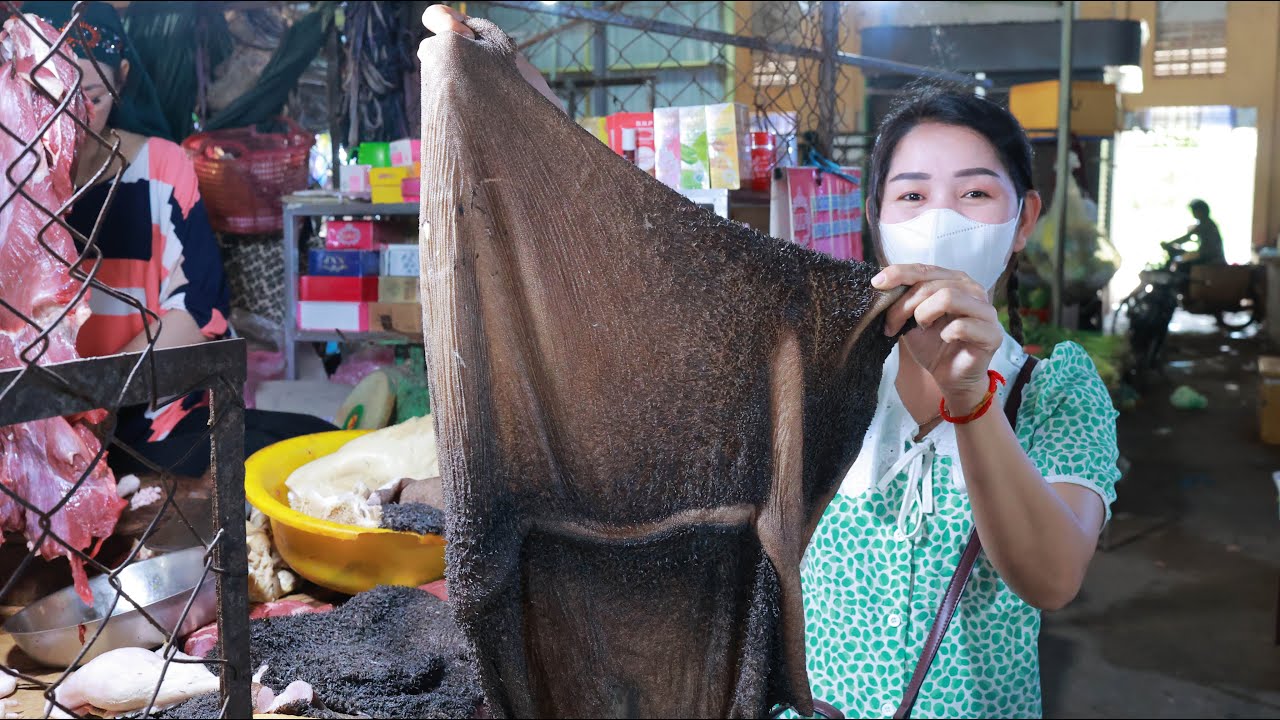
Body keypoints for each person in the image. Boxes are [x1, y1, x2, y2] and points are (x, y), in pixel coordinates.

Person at [423, 6, 1120, 719]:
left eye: (975, 192)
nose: (940, 217)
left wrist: (971, 398)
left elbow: (1053, 579)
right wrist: (509, 84)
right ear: (875, 218)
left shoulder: (1058, 392)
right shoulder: (810, 359)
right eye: (912, 194)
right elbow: (645, 239)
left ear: (1024, 218)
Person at [24, 2, 336, 478]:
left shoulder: (161, 169)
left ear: (121, 78)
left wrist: (97, 398)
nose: (73, 117)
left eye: (90, 95)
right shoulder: (14, 193)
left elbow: (197, 309)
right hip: (39, 430)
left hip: (153, 406)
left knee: (320, 444)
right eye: (51, 96)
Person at [1162, 199, 1226, 271]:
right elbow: (1187, 238)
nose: (1193, 213)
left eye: (1194, 210)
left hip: (1212, 260)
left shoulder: (1206, 224)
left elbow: (1185, 238)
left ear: (1201, 211)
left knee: (1181, 266)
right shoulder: (1206, 223)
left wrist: (1169, 244)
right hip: (1209, 258)